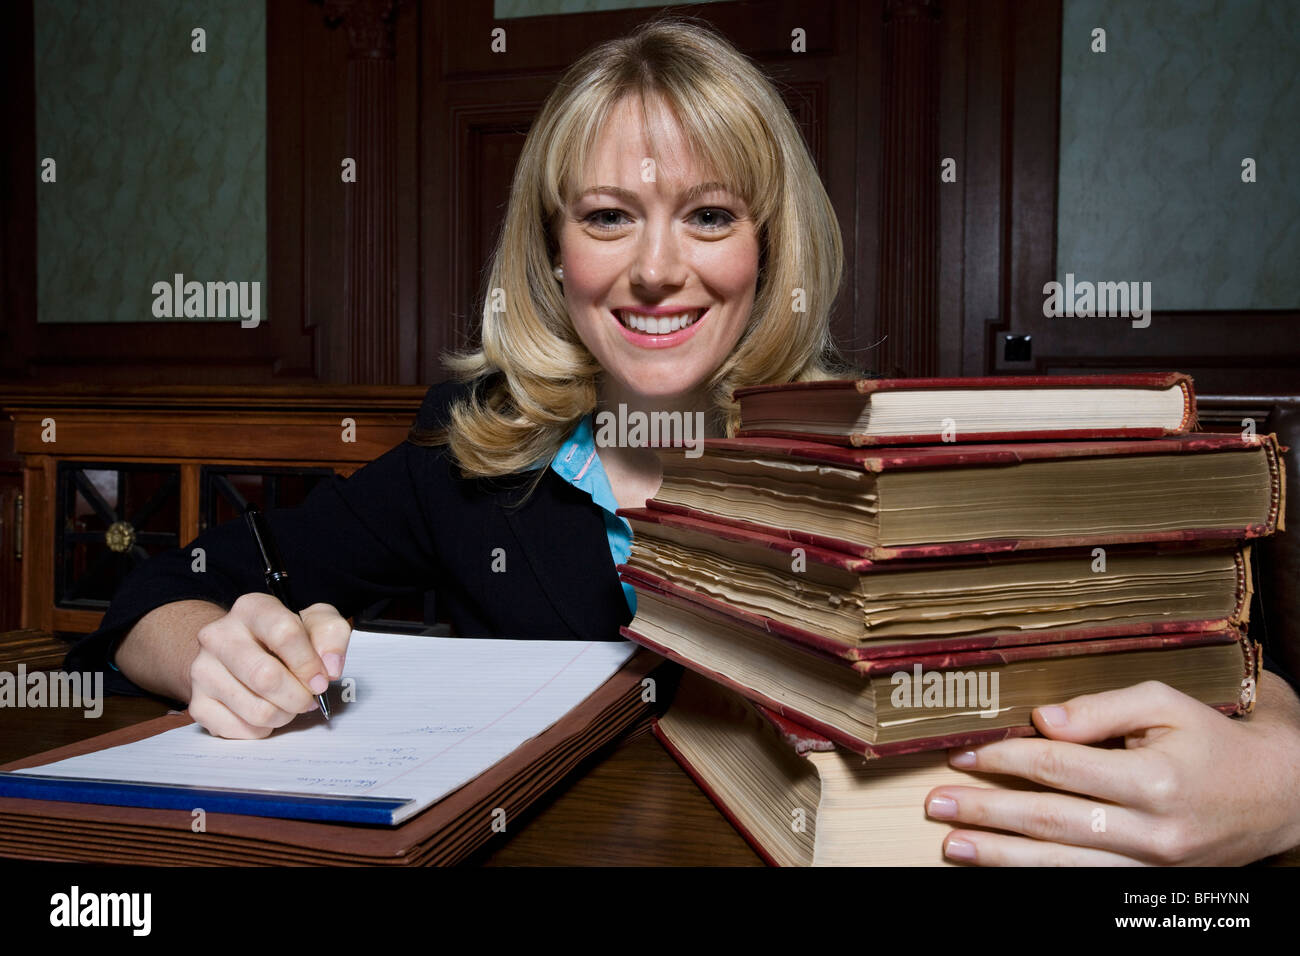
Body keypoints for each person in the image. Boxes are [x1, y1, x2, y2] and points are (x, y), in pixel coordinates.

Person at [67, 17, 1300, 866]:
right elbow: (155, 591)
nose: (658, 267)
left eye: (709, 215)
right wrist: (214, 654)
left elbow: (1218, 669)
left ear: (768, 247)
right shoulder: (470, 461)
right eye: (609, 217)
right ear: (555, 255)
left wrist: (1281, 783)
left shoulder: (885, 473)